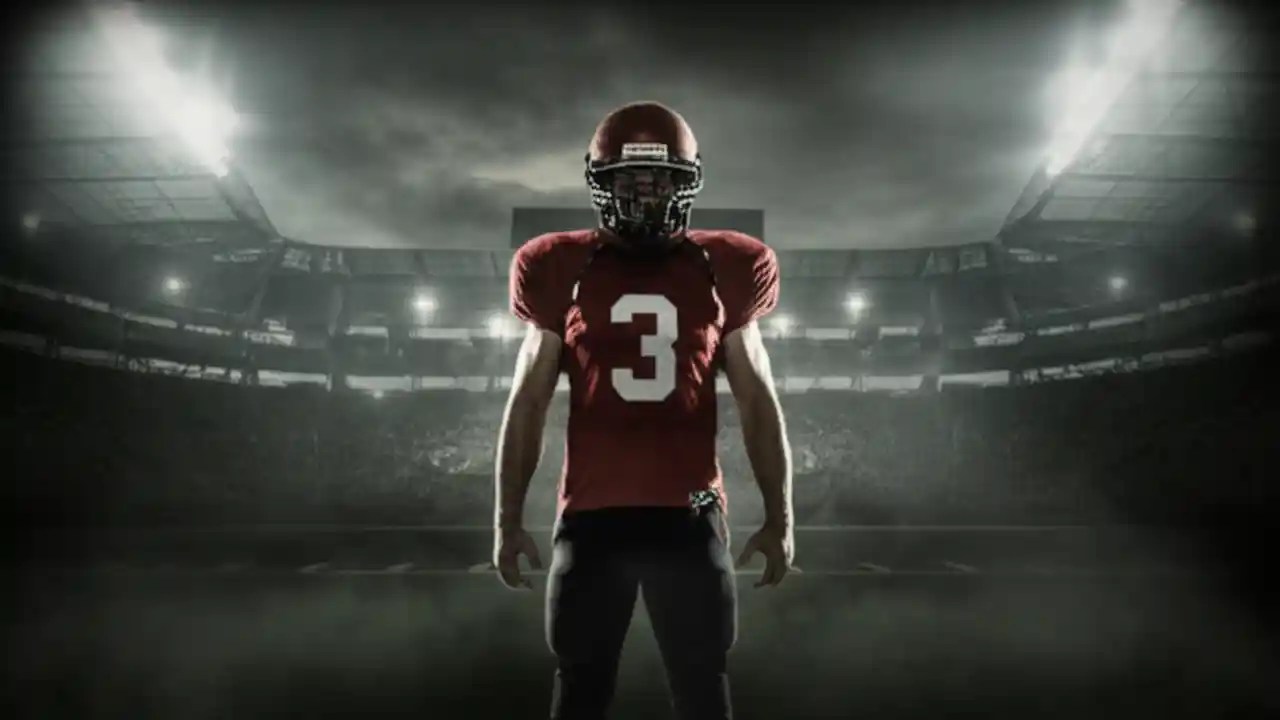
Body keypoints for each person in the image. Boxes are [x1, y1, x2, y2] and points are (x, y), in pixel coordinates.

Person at [493, 100, 795, 720]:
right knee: (583, 685)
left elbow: (758, 402)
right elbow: (527, 404)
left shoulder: (725, 265)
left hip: (691, 507)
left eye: (661, 180)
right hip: (591, 508)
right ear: (601, 184)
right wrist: (505, 519)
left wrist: (782, 516)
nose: (646, 195)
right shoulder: (561, 265)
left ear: (687, 183)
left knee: (700, 682)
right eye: (630, 181)